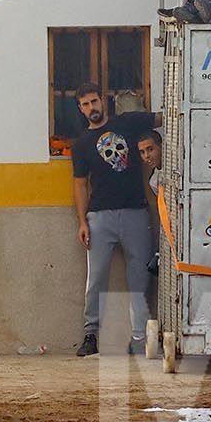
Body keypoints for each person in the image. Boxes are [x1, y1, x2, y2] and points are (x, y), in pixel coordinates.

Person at [71, 83, 162, 357]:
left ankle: (138, 338)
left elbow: (165, 118)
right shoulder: (81, 144)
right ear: (80, 108)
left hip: (135, 211)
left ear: (104, 100)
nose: (91, 108)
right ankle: (90, 335)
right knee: (96, 278)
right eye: (85, 104)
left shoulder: (128, 124)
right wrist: (83, 221)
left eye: (94, 101)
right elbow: (79, 185)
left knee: (139, 277)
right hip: (99, 216)